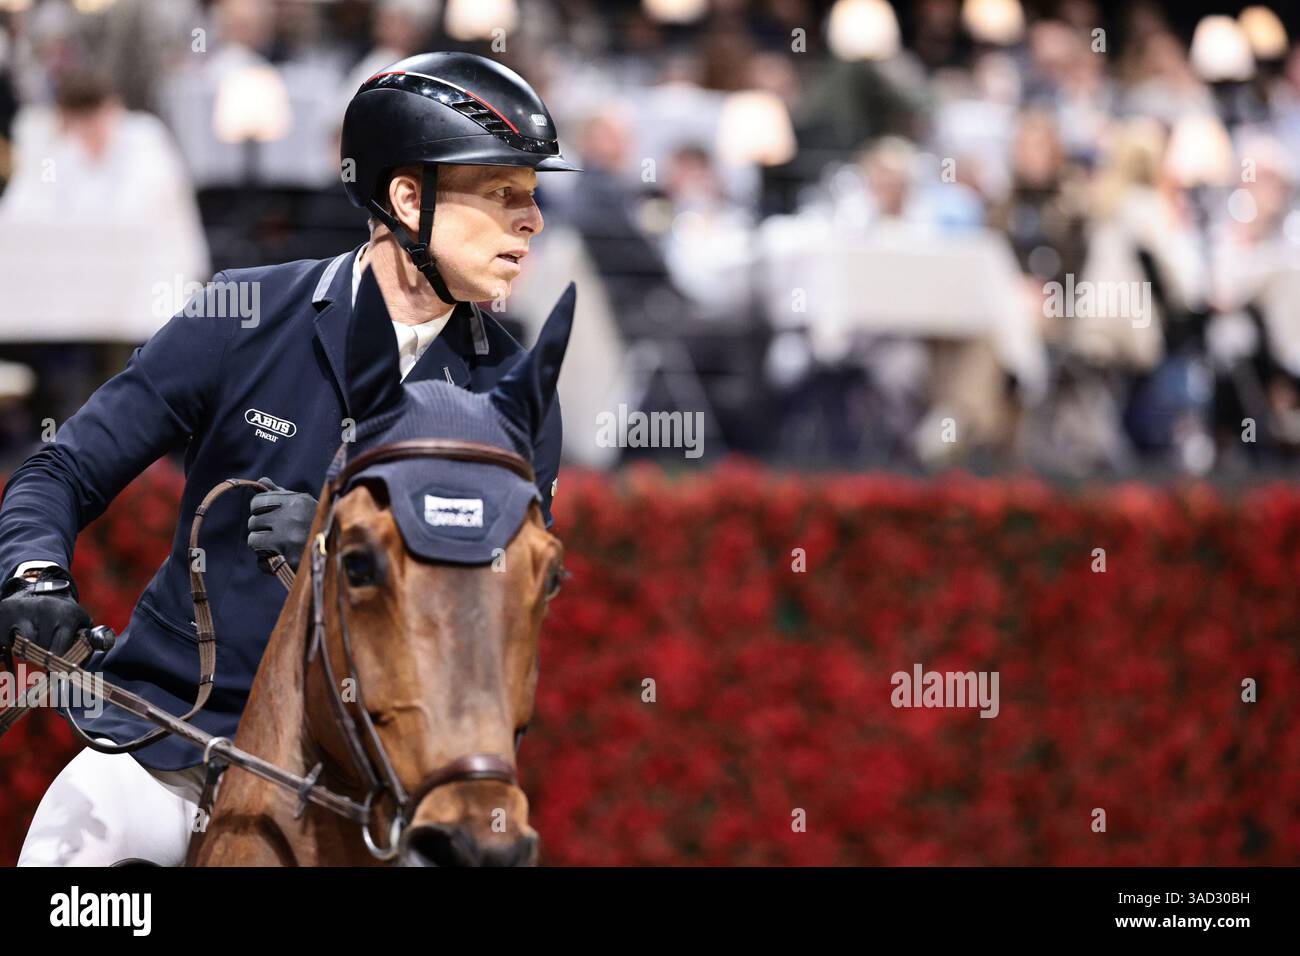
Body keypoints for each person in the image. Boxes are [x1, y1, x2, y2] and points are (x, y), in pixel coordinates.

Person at [0, 51, 579, 866]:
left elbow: (495, 607)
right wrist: (35, 579)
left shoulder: (511, 397)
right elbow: (62, 470)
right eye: (504, 194)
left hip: (371, 788)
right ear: (408, 198)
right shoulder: (243, 314)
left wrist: (332, 549)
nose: (533, 221)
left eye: (533, 195)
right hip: (170, 742)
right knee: (64, 868)